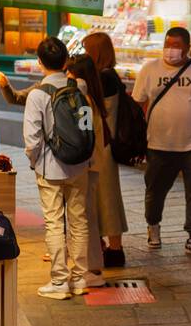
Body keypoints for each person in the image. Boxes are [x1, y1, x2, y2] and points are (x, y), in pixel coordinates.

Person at [133, 26, 191, 257]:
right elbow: (138, 105)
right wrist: (137, 138)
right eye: (168, 44)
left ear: (187, 48)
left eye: (176, 46)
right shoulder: (149, 69)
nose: (170, 50)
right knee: (155, 191)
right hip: (158, 144)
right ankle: (153, 226)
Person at [23, 36, 91, 299]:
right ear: (65, 61)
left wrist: (35, 161)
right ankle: (80, 279)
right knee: (79, 221)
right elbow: (86, 124)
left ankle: (60, 282)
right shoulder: (80, 86)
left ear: (39, 63)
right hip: (80, 164)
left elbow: (32, 139)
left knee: (54, 223)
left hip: (50, 167)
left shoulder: (37, 94)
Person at [82, 31, 129, 267]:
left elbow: (92, 114)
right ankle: (106, 246)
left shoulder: (104, 78)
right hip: (102, 145)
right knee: (101, 196)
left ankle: (115, 249)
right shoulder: (108, 76)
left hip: (102, 145)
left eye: (85, 48)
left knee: (106, 197)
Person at [67, 54, 112, 289]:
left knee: (86, 218)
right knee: (85, 216)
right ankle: (87, 266)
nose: (66, 78)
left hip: (87, 164)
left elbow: (83, 131)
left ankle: (91, 268)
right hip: (91, 163)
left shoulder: (84, 98)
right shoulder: (91, 96)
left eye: (70, 74)